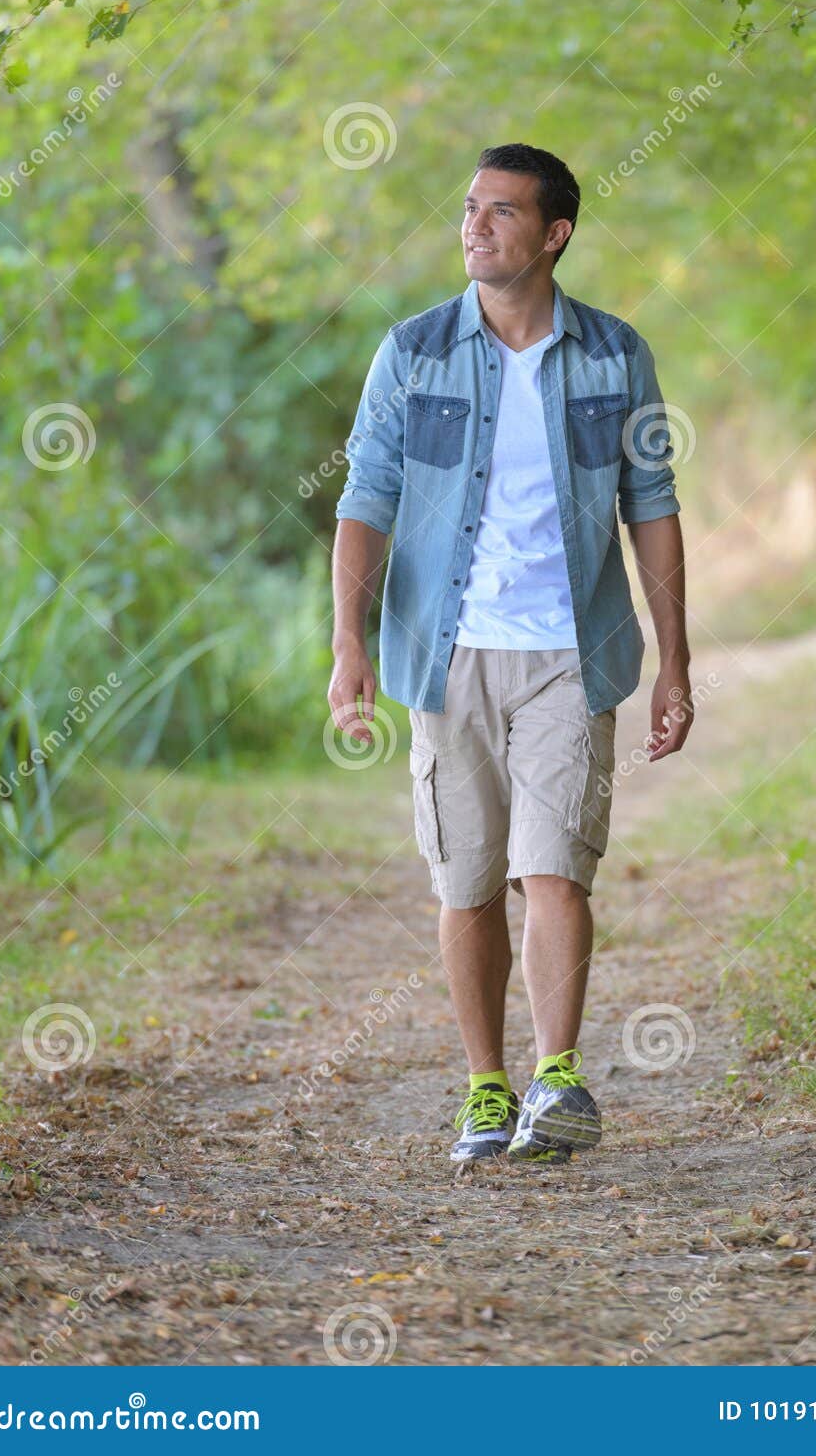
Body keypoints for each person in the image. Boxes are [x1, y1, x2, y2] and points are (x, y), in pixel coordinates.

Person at [328, 142, 693, 1165]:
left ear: (553, 234)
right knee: (468, 882)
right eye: (468, 209)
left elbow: (651, 509)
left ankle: (556, 1078)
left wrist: (674, 660)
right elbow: (366, 501)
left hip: (568, 653)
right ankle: (485, 1086)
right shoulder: (413, 350)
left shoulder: (616, 353)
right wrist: (346, 641)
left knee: (556, 868)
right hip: (446, 659)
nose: (473, 226)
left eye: (499, 212)